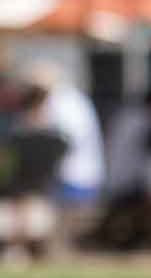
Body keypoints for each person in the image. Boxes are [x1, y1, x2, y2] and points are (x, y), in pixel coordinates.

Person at [20, 62, 105, 207]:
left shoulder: (61, 101)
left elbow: (62, 140)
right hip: (80, 176)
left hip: (74, 178)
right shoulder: (70, 98)